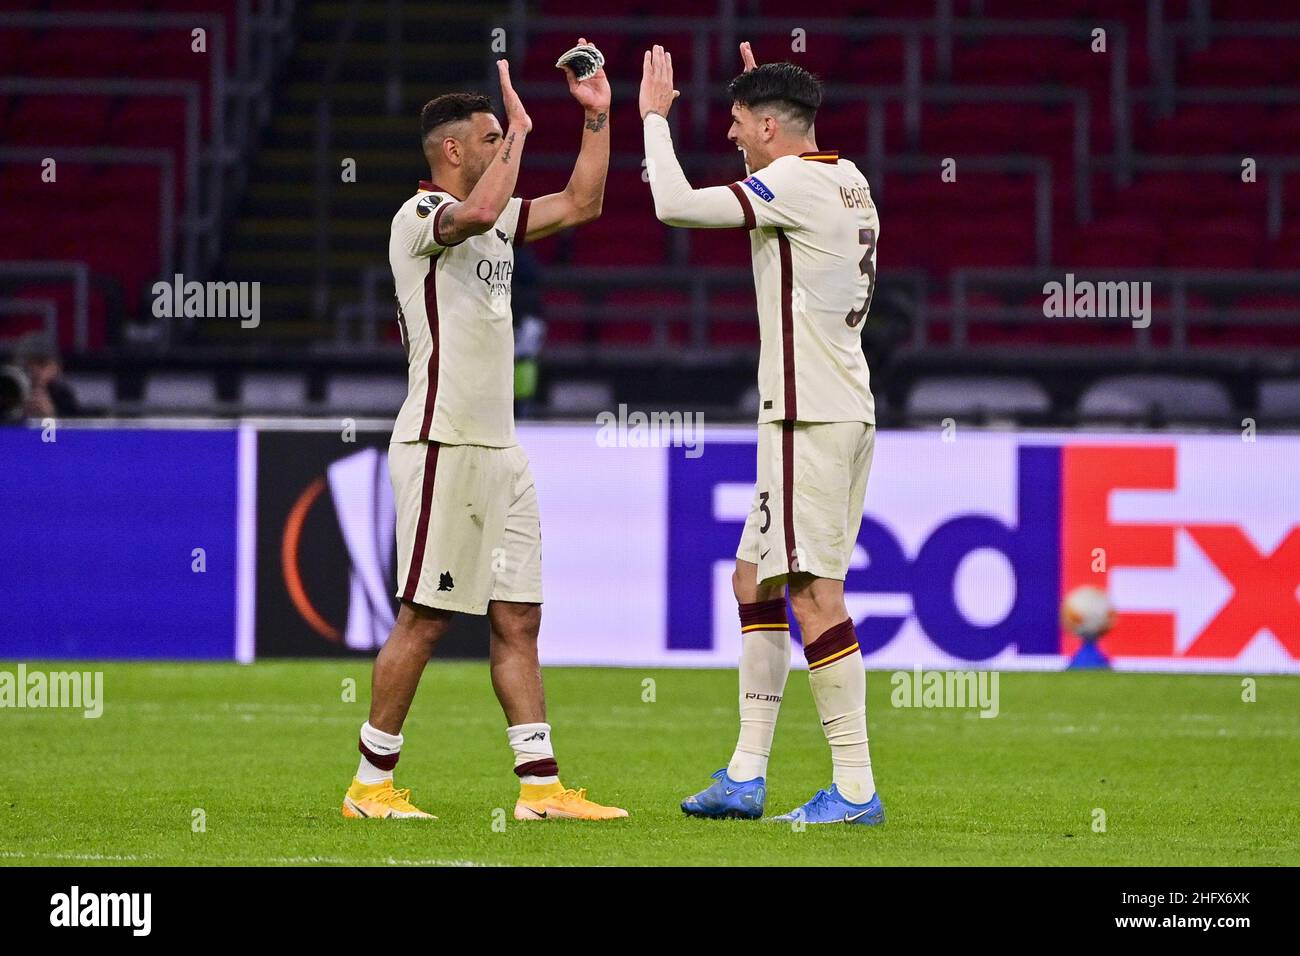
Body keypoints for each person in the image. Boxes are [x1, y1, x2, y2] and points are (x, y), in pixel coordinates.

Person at [342, 43, 626, 821]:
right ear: (455, 149)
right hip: (442, 442)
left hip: (501, 449)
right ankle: (370, 785)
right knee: (426, 618)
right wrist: (527, 133)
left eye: (507, 137)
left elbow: (583, 203)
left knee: (518, 617)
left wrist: (596, 116)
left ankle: (540, 788)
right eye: (495, 138)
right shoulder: (422, 216)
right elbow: (473, 213)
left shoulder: (497, 225)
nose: (507, 147)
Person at [641, 43, 884, 824]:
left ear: (775, 126)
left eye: (741, 122)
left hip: (807, 416)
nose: (732, 135)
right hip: (840, 406)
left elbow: (674, 205)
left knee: (814, 593)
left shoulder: (791, 181)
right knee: (754, 580)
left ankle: (853, 789)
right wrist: (762, 106)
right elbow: (782, 174)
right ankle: (746, 775)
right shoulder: (848, 178)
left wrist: (652, 117)